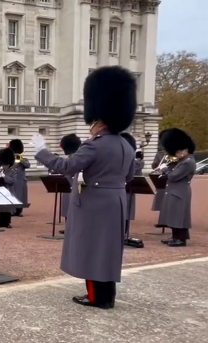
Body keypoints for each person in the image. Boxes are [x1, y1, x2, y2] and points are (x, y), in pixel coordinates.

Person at [33, 65, 137, 309]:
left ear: (99, 119)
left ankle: (95, 297)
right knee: (107, 250)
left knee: (92, 249)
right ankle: (106, 295)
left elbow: (66, 166)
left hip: (94, 203)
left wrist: (41, 152)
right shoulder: (126, 146)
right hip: (116, 200)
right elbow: (130, 176)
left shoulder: (95, 145)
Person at [158, 128, 197, 247]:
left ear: (185, 149)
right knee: (174, 215)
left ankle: (180, 239)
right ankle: (175, 236)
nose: (177, 154)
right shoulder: (182, 161)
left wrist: (164, 169)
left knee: (179, 216)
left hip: (180, 191)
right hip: (175, 190)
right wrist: (170, 164)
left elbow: (174, 176)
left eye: (179, 151)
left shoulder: (188, 162)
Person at [57, 134, 82, 235]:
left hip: (78, 186)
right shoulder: (70, 158)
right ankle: (69, 227)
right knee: (67, 207)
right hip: (68, 186)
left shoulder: (78, 157)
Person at [121, 133, 144, 237]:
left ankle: (123, 233)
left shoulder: (134, 161)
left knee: (125, 214)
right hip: (120, 190)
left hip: (127, 190)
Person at [150, 130, 171, 227]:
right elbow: (154, 165)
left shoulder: (173, 155)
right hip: (161, 177)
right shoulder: (160, 154)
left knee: (168, 201)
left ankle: (166, 220)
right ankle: (162, 220)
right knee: (161, 199)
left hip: (169, 177)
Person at [8, 139, 30, 216]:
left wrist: (21, 160)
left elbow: (27, 165)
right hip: (12, 180)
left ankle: (19, 211)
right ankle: (12, 210)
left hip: (21, 180)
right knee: (13, 195)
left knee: (21, 196)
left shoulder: (23, 159)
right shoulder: (10, 159)